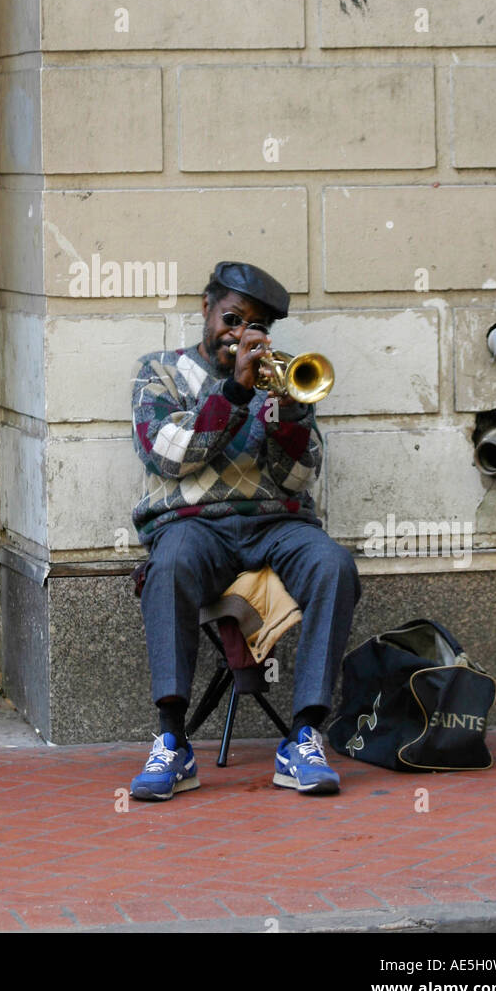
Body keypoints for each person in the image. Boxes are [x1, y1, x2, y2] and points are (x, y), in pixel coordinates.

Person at [129, 260, 360, 801]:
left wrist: (289, 422)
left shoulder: (280, 379)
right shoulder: (159, 371)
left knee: (334, 565)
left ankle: (304, 735)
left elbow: (302, 476)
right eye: (231, 319)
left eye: (255, 327)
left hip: (277, 521)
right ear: (206, 310)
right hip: (192, 525)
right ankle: (171, 740)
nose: (239, 335)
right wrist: (234, 396)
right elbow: (167, 455)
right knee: (170, 566)